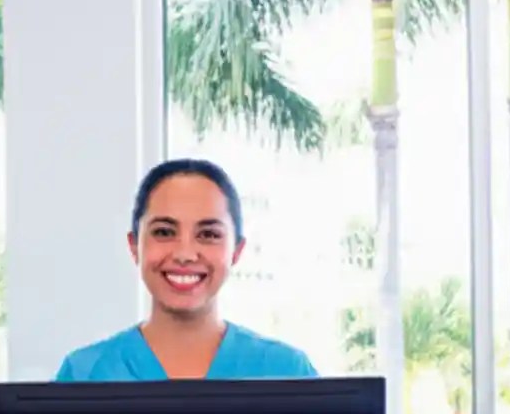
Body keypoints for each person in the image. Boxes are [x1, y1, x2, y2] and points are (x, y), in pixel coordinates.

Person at [54, 158, 318, 382]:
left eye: (208, 234)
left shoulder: (287, 372)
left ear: (237, 250)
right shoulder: (83, 374)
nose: (184, 254)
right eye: (164, 232)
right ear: (134, 246)